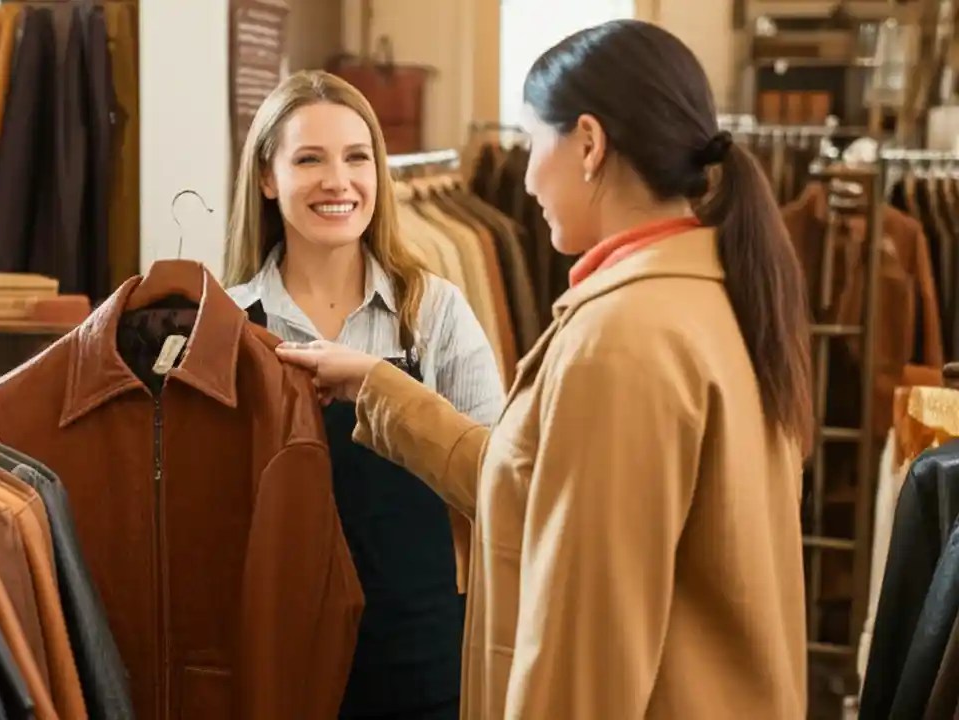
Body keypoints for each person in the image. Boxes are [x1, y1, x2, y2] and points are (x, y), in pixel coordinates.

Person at [277, 20, 812, 719]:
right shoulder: (710, 295)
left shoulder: (622, 338)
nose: (525, 178)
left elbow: (589, 645)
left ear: (588, 144)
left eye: (534, 142)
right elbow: (534, 491)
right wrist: (378, 387)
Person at [222, 70, 504, 720]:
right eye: (309, 159)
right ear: (267, 178)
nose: (338, 182)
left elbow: (499, 474)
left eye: (356, 158)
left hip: (418, 653)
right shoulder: (227, 326)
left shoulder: (431, 314)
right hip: (273, 652)